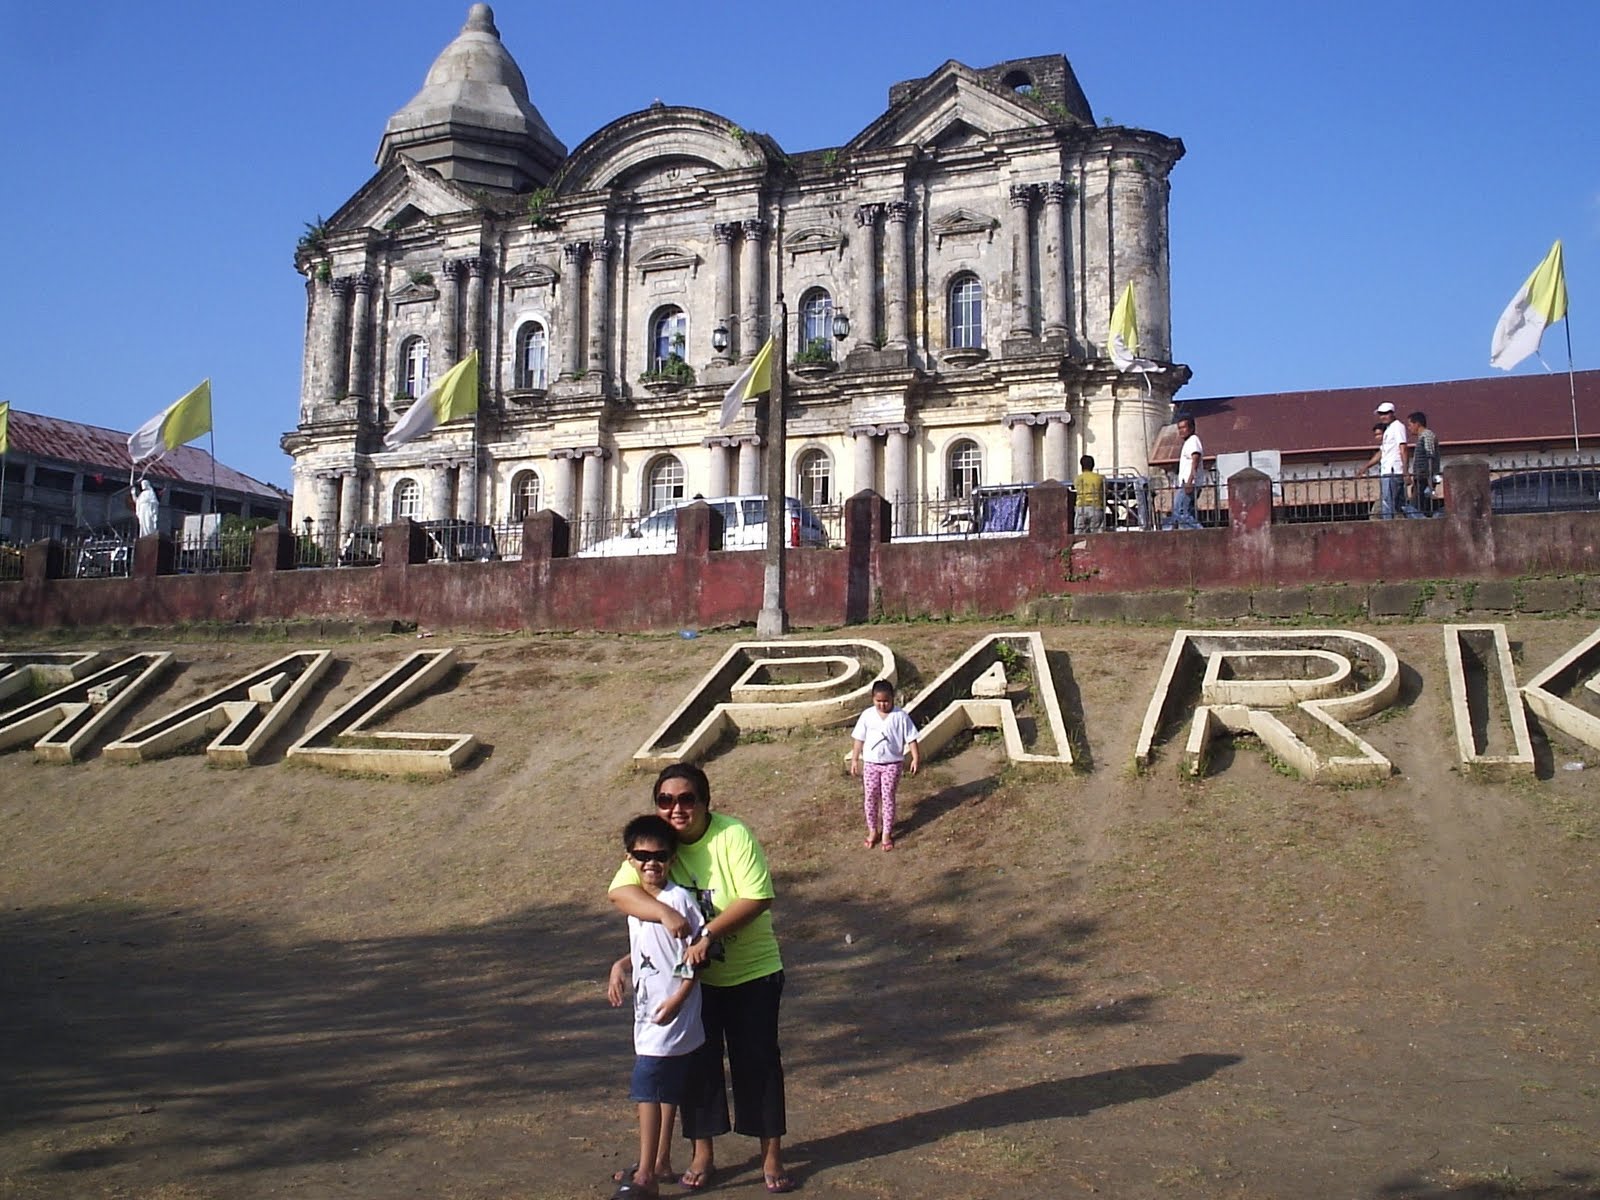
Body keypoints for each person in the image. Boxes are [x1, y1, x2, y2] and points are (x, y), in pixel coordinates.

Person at [608, 764, 793, 1194]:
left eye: (687, 799)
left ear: (706, 802)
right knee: (699, 1069)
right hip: (694, 985)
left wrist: (707, 933)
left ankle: (771, 1154)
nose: (676, 808)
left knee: (759, 1065)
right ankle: (702, 1154)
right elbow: (621, 891)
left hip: (752, 972)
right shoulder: (657, 843)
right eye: (666, 800)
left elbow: (757, 896)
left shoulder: (732, 835)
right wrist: (666, 914)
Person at [606, 815, 706, 1199]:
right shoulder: (641, 904)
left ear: (672, 857)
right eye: (642, 855)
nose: (651, 863)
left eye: (659, 855)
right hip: (649, 1010)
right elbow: (645, 950)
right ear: (629, 859)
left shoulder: (679, 901)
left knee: (647, 1088)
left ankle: (645, 1175)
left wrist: (680, 997)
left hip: (670, 1013)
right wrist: (620, 966)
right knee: (663, 1090)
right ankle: (660, 1161)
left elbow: (696, 954)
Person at [849, 679, 920, 850]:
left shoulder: (900, 716)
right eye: (878, 701)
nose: (882, 705)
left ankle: (887, 832)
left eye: (886, 701)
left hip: (892, 764)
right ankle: (873, 830)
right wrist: (854, 759)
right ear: (873, 699)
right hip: (871, 764)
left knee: (887, 797)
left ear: (893, 698)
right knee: (871, 796)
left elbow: (911, 738)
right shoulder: (867, 715)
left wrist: (916, 758)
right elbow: (859, 738)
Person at [1359, 402, 1420, 519]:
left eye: (1386, 413)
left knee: (1388, 504)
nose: (1383, 416)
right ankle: (1419, 519)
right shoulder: (1389, 429)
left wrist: (1405, 471)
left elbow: (1403, 449)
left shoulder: (1397, 427)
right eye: (1381, 414)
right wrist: (1366, 467)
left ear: (1392, 413)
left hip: (1393, 470)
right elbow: (1382, 452)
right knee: (1400, 505)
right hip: (1388, 470)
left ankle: (1390, 527)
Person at [1165, 415, 1205, 530]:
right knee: (1185, 512)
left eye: (1184, 427)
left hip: (1188, 483)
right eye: (1179, 428)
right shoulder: (1188, 442)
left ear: (1192, 428)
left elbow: (1195, 459)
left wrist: (1190, 481)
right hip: (1186, 483)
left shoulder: (1193, 440)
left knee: (1181, 512)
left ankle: (1202, 533)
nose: (1181, 431)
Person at [1407, 411, 1440, 516]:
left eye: (1410, 424)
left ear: (1417, 424)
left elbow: (1430, 456)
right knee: (1418, 503)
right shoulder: (1422, 437)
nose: (1409, 428)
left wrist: (1430, 478)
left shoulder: (1427, 435)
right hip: (1421, 476)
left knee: (1419, 505)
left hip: (1424, 476)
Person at [1073, 454, 1107, 533]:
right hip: (1096, 507)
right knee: (1097, 536)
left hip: (1081, 508)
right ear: (1093, 465)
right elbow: (1105, 491)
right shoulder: (1100, 478)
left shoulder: (1078, 478)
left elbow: (1076, 488)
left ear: (1081, 465)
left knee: (1079, 535)